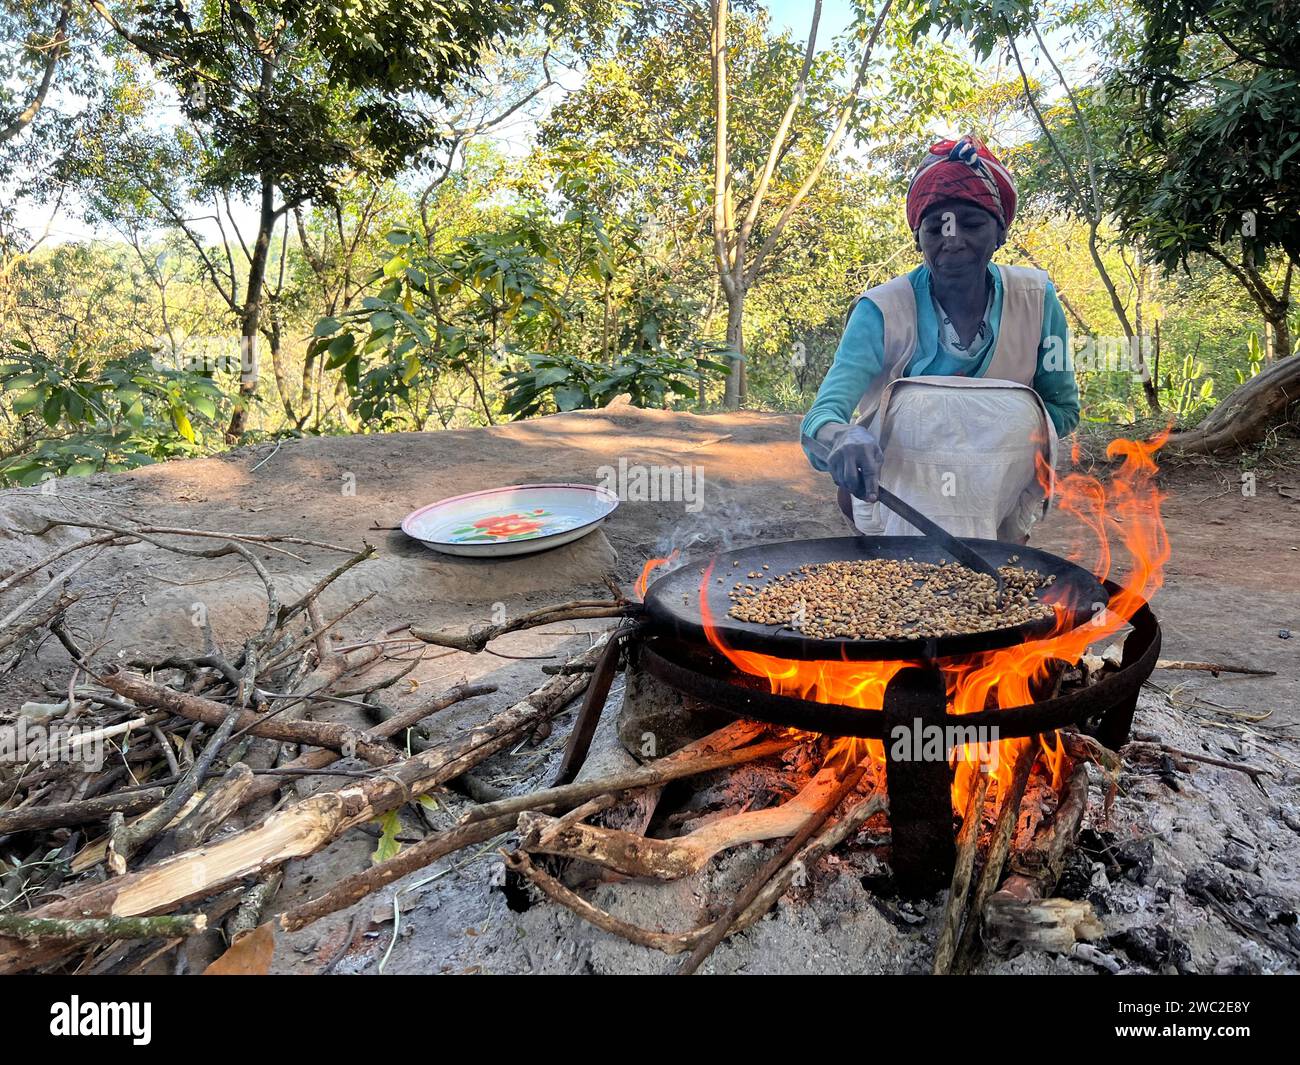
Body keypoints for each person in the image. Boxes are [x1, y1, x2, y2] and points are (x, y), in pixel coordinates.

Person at [800, 134, 1080, 543]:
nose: (953, 240)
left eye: (971, 224)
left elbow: (1062, 409)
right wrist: (842, 435)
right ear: (918, 238)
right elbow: (818, 422)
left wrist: (984, 446)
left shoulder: (1036, 300)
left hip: (995, 504)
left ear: (1000, 233)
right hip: (895, 504)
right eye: (936, 227)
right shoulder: (880, 311)